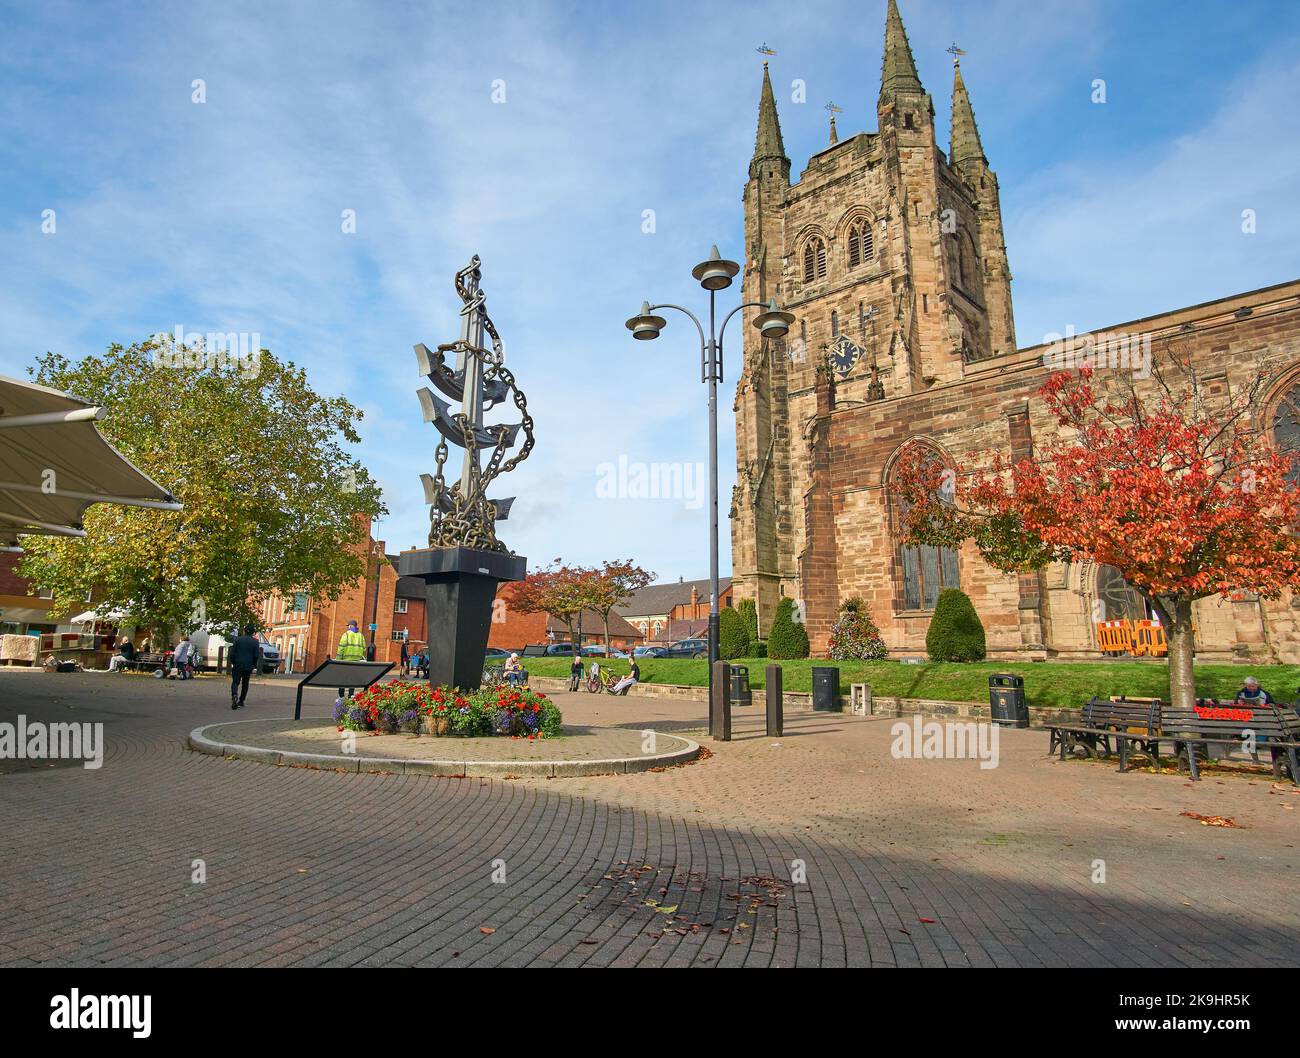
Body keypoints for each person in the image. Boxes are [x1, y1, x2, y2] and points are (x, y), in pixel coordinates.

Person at [228, 625, 262, 709]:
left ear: (244, 631)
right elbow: (256, 655)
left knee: (235, 682)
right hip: (248, 665)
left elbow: (232, 653)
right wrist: (254, 664)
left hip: (237, 664)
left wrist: (233, 662)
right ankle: (241, 700)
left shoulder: (238, 640)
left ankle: (234, 694)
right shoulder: (255, 642)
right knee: (245, 683)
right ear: (253, 632)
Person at [337, 619, 367, 700]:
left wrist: (338, 660)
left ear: (350, 626)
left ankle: (341, 697)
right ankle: (350, 696)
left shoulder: (346, 634)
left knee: (343, 679)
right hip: (356, 661)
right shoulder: (361, 635)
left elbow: (341, 648)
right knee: (352, 679)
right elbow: (364, 648)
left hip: (346, 661)